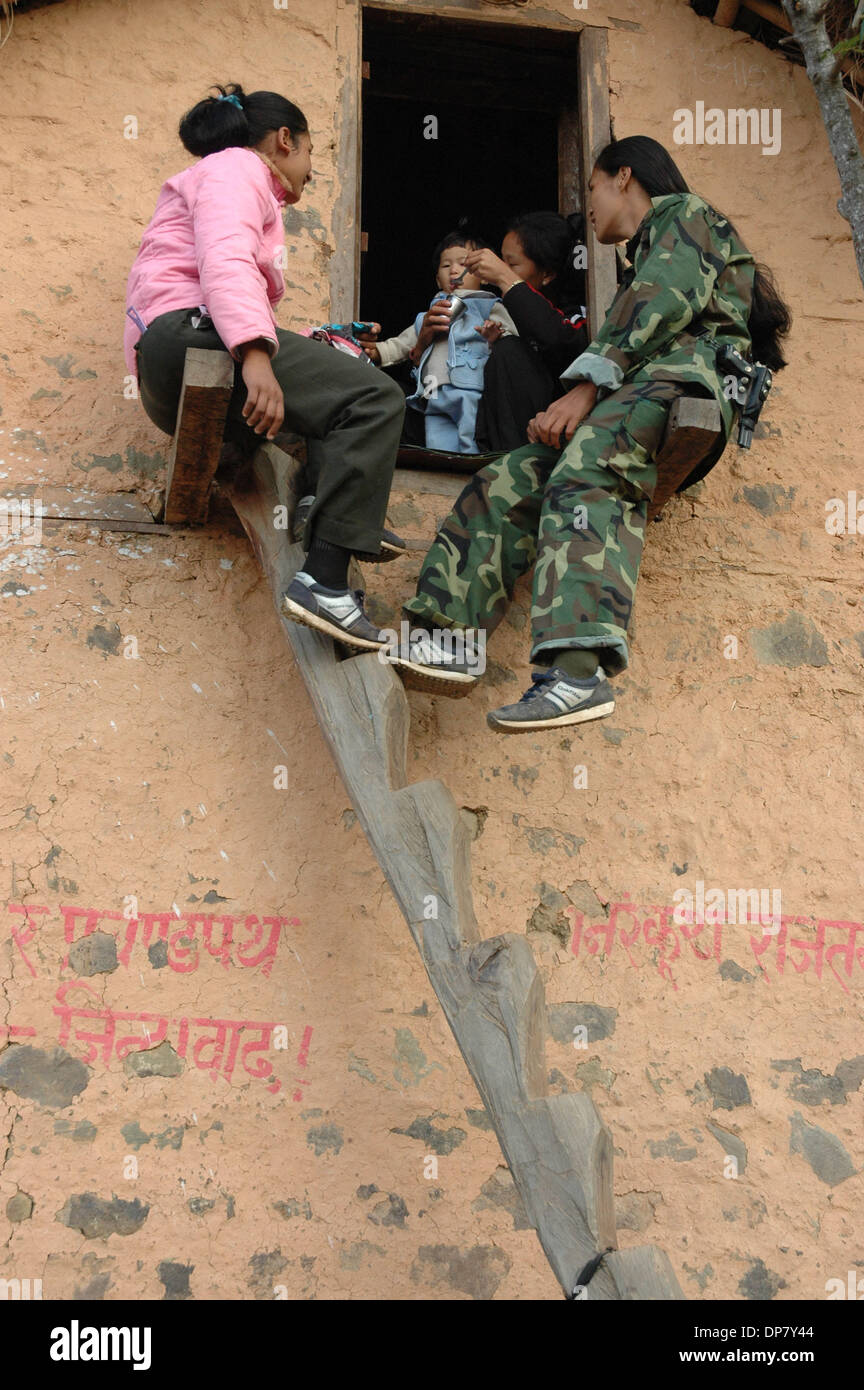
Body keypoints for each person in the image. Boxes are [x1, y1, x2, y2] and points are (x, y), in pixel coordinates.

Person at [399, 136, 792, 729]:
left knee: (590, 468)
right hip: (630, 398)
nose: (588, 205)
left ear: (624, 175)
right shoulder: (643, 253)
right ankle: (445, 640)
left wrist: (584, 390)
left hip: (680, 387)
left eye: (590, 187)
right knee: (507, 477)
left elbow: (662, 303)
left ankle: (576, 672)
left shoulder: (685, 213)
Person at [125, 82, 410, 653]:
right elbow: (224, 257)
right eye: (309, 153)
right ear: (284, 140)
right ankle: (326, 583)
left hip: (175, 352)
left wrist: (286, 346)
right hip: (193, 338)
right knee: (376, 398)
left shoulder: (225, 177)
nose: (310, 170)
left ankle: (322, 504)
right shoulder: (237, 169)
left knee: (334, 379)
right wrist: (255, 353)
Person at [364, 229, 516, 454]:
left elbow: (514, 340)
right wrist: (375, 352)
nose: (454, 270)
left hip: (472, 388)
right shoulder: (429, 316)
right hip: (433, 390)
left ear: (484, 275)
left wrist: (497, 337)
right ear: (437, 279)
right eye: (446, 266)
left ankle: (468, 474)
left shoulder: (490, 307)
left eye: (463, 263)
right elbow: (402, 344)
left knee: (470, 439)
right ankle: (443, 473)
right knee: (437, 440)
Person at [463, 211, 590, 452]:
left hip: (552, 436)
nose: (499, 271)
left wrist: (505, 277)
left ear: (548, 274)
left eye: (511, 264)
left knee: (509, 350)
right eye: (501, 262)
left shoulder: (576, 312)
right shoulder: (496, 307)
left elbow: (563, 342)